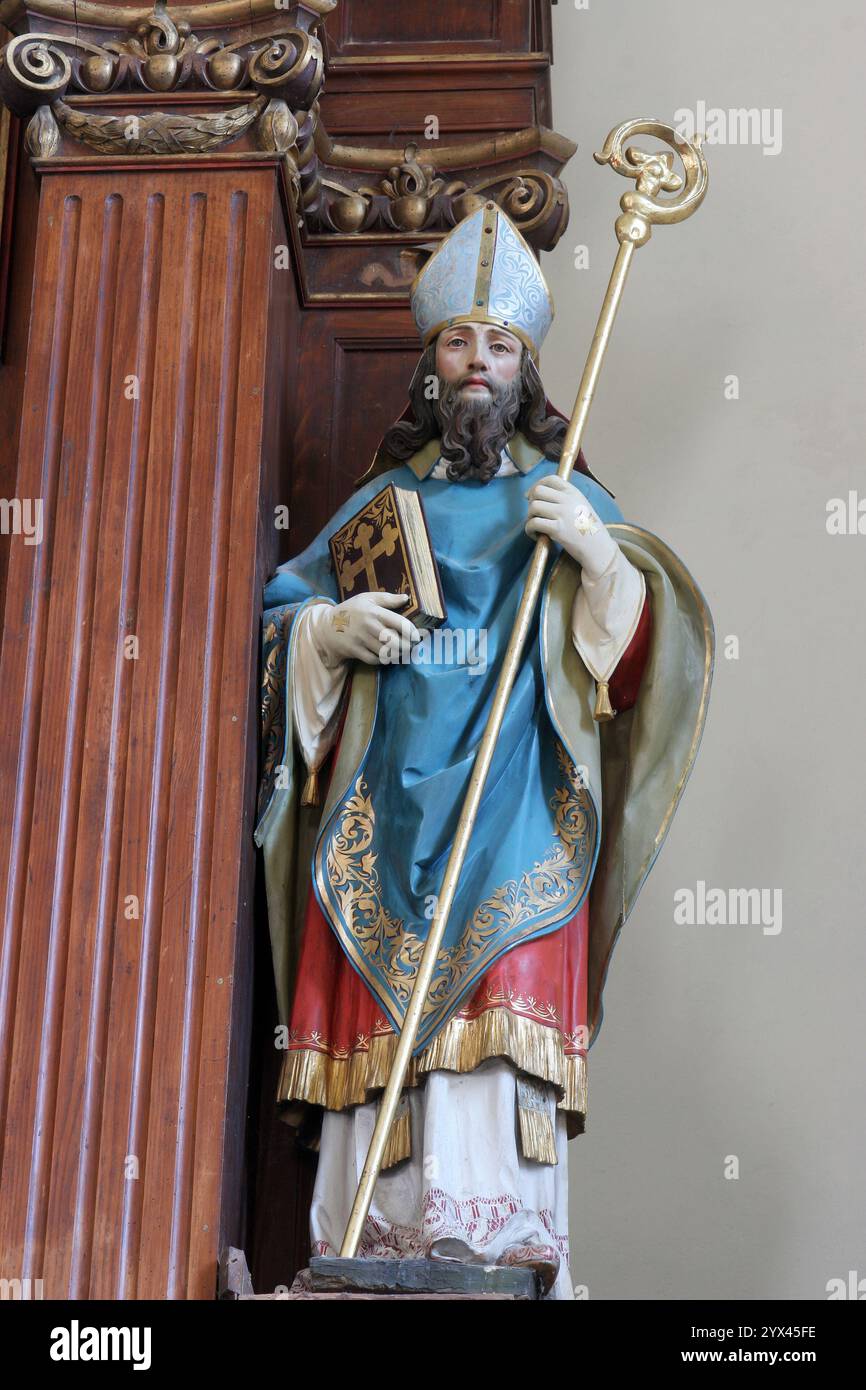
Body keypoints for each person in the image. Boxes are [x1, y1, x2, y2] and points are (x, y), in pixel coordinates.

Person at [255, 203, 713, 1299]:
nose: (476, 363)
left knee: (491, 1056)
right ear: (428, 363)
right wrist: (329, 630)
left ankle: (492, 1258)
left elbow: (642, 654)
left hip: (510, 828)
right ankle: (370, 1258)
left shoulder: (561, 501)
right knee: (385, 1071)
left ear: (525, 369)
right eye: (457, 341)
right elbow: (282, 619)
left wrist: (600, 560)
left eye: (497, 344)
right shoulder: (383, 504)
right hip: (385, 824)